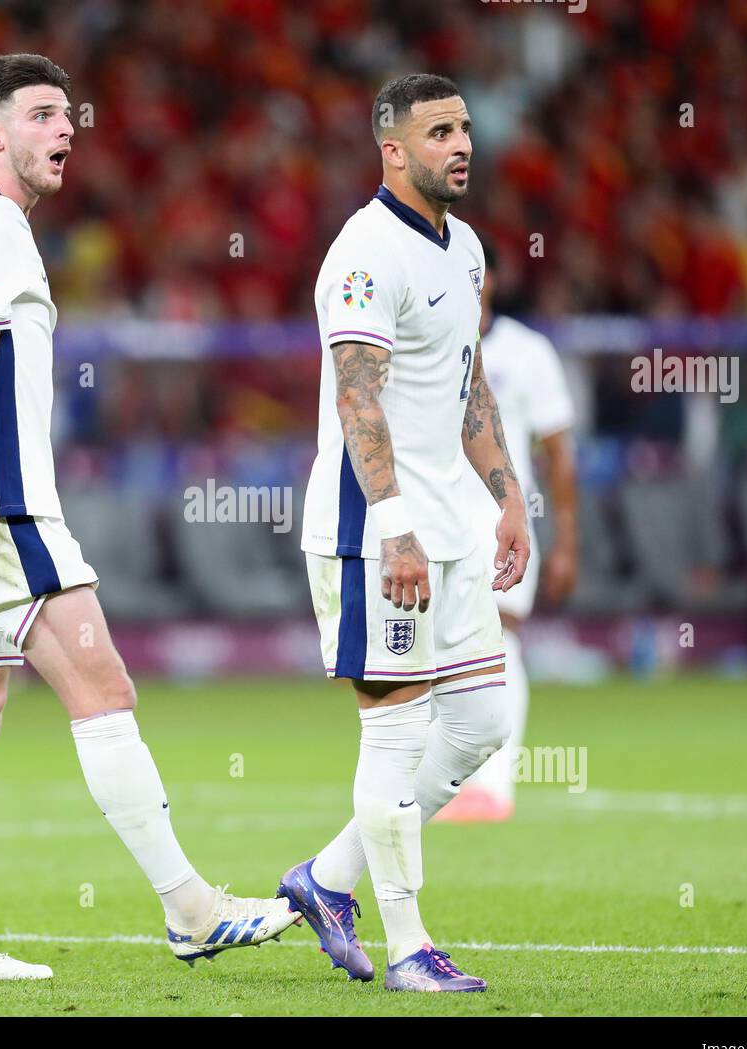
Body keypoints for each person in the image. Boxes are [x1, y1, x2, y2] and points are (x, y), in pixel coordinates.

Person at [0, 53, 298, 984]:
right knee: (105, 688)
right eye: (43, 115)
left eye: (68, 115)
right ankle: (193, 910)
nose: (66, 129)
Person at [277, 74, 528, 993]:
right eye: (438, 132)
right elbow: (357, 393)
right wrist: (392, 527)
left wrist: (506, 495)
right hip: (373, 531)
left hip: (456, 527)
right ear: (393, 148)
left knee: (478, 725)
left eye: (464, 127)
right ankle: (410, 947)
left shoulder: (463, 249)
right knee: (394, 733)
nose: (461, 144)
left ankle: (326, 879)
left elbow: (468, 386)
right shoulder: (363, 252)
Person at [436, 243, 577, 823]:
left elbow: (558, 455)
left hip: (502, 521)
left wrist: (568, 540)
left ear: (492, 277)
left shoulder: (527, 352)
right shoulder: (425, 342)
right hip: (434, 522)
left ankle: (495, 787)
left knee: (501, 639)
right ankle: (446, 783)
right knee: (439, 653)